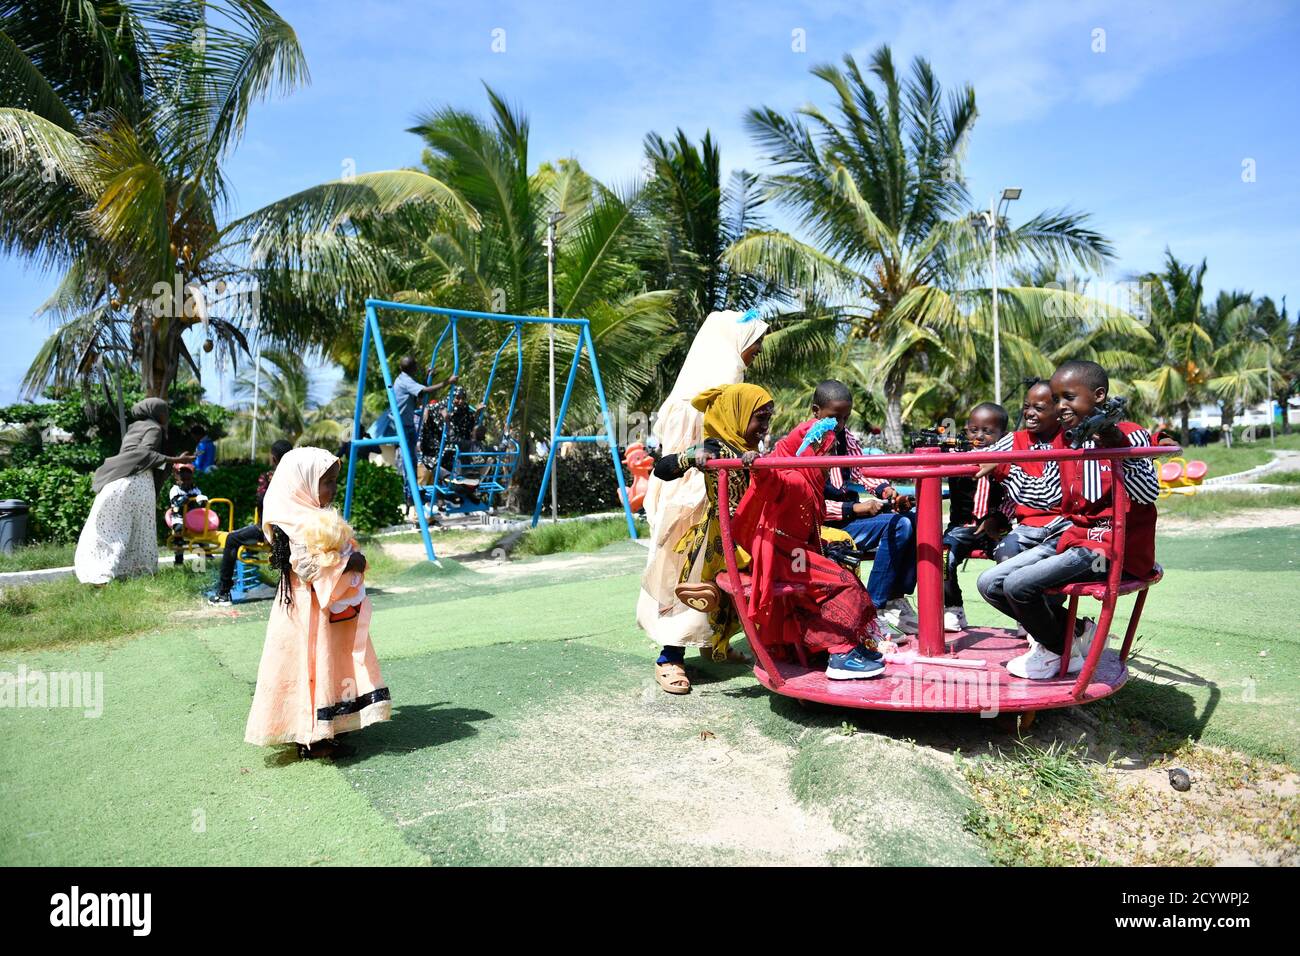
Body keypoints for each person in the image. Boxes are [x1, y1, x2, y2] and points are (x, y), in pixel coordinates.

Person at [976, 360, 1161, 680]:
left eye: (1069, 398)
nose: (1060, 407)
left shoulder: (1132, 435)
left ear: (1099, 396)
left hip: (1116, 546)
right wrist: (1003, 467)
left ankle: (1056, 651)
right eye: (1057, 399)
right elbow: (1048, 493)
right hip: (1075, 537)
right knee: (990, 584)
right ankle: (1072, 634)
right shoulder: (1065, 442)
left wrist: (1117, 446)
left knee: (1019, 586)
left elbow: (1147, 494)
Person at [635, 308, 769, 688]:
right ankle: (670, 657)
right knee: (685, 572)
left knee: (722, 568)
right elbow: (686, 451)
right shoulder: (720, 380)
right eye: (754, 343)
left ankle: (713, 644)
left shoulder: (718, 377)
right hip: (692, 489)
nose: (757, 350)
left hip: (715, 488)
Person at [244, 448, 391, 758]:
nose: (332, 490)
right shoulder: (295, 520)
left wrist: (347, 558)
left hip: (322, 607)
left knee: (325, 663)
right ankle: (313, 736)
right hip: (307, 610)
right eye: (327, 482)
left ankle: (322, 727)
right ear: (302, 483)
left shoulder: (310, 516)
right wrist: (348, 564)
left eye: (335, 482)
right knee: (310, 662)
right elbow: (309, 567)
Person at [732, 417, 885, 680]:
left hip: (794, 553)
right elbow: (772, 482)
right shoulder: (796, 477)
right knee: (843, 583)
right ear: (812, 452)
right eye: (825, 454)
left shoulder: (811, 481)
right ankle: (841, 654)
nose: (829, 463)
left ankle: (839, 646)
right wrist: (757, 465)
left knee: (841, 575)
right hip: (784, 557)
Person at [648, 383, 773, 694]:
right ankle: (669, 659)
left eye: (768, 418)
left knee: (740, 596)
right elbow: (661, 469)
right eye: (760, 418)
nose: (765, 427)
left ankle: (717, 646)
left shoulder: (748, 450)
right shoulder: (715, 447)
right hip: (716, 537)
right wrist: (692, 456)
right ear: (737, 414)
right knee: (694, 598)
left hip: (745, 535)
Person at [814, 380, 919, 634]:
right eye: (833, 417)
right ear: (816, 411)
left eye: (845, 417)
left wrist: (887, 492)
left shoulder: (844, 436)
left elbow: (862, 471)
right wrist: (854, 509)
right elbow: (807, 502)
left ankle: (895, 599)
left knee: (913, 518)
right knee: (899, 526)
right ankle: (872, 610)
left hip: (847, 518)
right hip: (824, 527)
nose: (839, 423)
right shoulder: (806, 444)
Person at [74, 399, 194, 585]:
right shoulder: (154, 429)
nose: (166, 415)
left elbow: (137, 455)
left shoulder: (135, 427)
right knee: (138, 530)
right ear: (156, 411)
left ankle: (109, 572)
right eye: (164, 410)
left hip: (117, 480)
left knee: (111, 529)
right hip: (137, 482)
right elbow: (145, 455)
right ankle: (123, 574)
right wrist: (178, 459)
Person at [941, 402, 1013, 632]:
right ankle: (953, 608)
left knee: (1013, 559)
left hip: (997, 527)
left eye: (988, 431)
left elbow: (1015, 498)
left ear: (1004, 435)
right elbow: (942, 453)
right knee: (942, 558)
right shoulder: (959, 455)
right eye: (974, 430)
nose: (980, 436)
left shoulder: (1008, 459)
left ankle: (1023, 615)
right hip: (962, 526)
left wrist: (1000, 518)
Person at [208, 439, 294, 606]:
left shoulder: (270, 478)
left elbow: (262, 502)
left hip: (270, 530)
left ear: (274, 459)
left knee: (232, 539)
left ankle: (224, 593)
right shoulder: (299, 479)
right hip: (292, 530)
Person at [166, 462, 209, 538]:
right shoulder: (175, 489)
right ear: (177, 478)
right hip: (179, 517)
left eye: (188, 479)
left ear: (192, 479)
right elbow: (175, 503)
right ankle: (178, 544)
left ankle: (203, 543)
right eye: (183, 479)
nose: (186, 482)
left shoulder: (195, 489)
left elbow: (201, 500)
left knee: (202, 529)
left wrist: (203, 501)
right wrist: (183, 500)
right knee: (179, 528)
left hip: (192, 517)